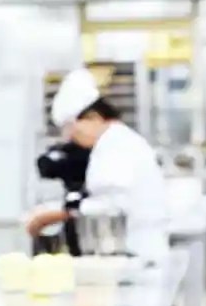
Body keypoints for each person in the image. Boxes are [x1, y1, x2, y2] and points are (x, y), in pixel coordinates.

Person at [26, 68, 169, 264]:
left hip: (137, 252)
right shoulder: (112, 142)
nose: (70, 137)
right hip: (132, 252)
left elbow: (112, 206)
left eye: (72, 129)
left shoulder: (117, 145)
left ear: (94, 117)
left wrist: (55, 213)